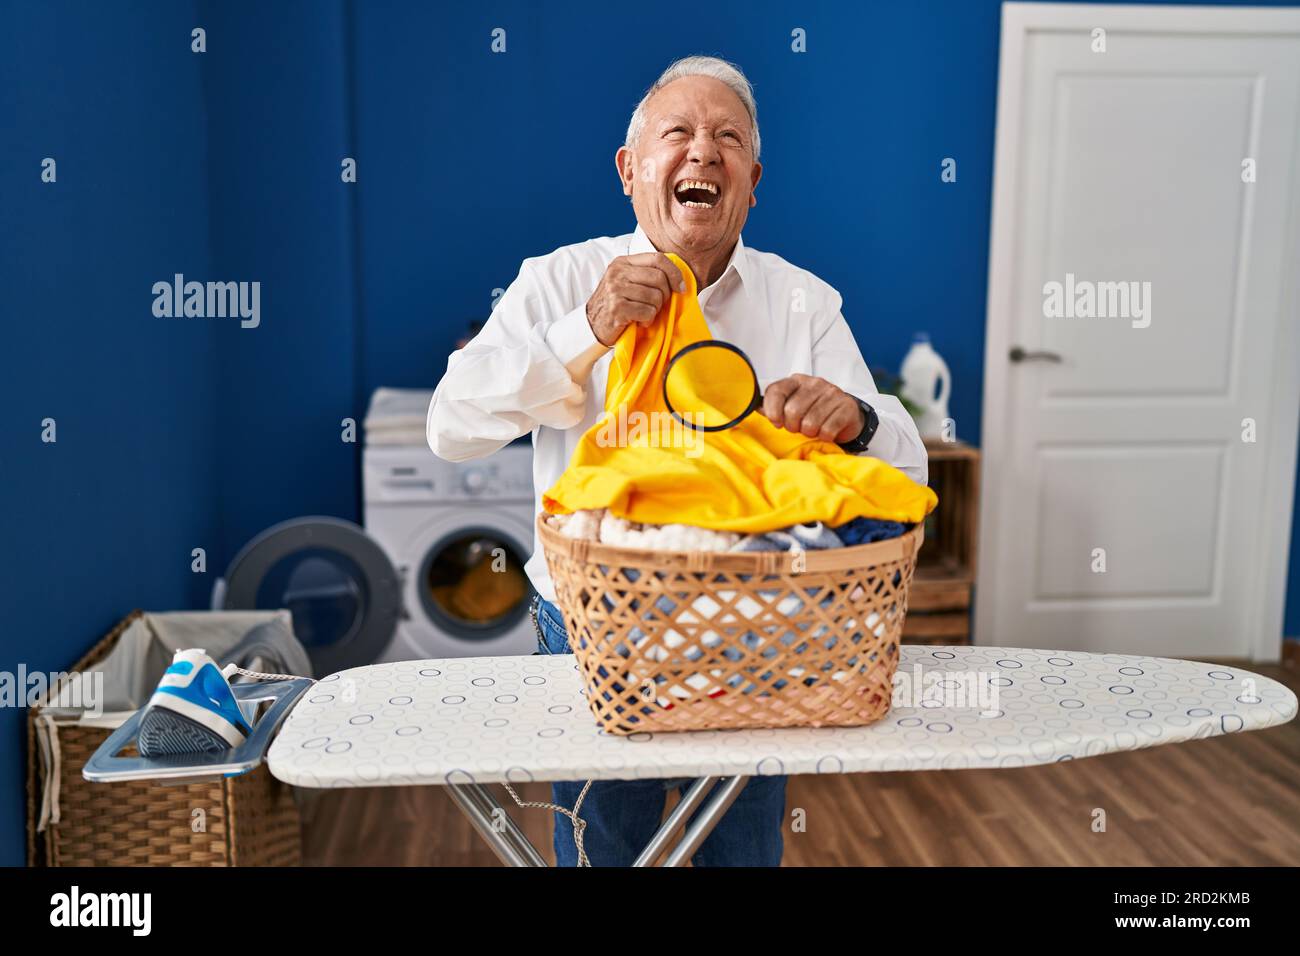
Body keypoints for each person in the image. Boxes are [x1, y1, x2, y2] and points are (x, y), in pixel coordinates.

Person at [427, 55, 927, 866]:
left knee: (741, 849)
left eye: (728, 138)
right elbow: (449, 427)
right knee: (601, 848)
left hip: (760, 635)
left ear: (752, 181)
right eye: (679, 134)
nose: (703, 153)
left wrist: (861, 420)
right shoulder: (558, 282)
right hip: (594, 631)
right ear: (632, 170)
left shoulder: (803, 303)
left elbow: (906, 480)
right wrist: (583, 332)